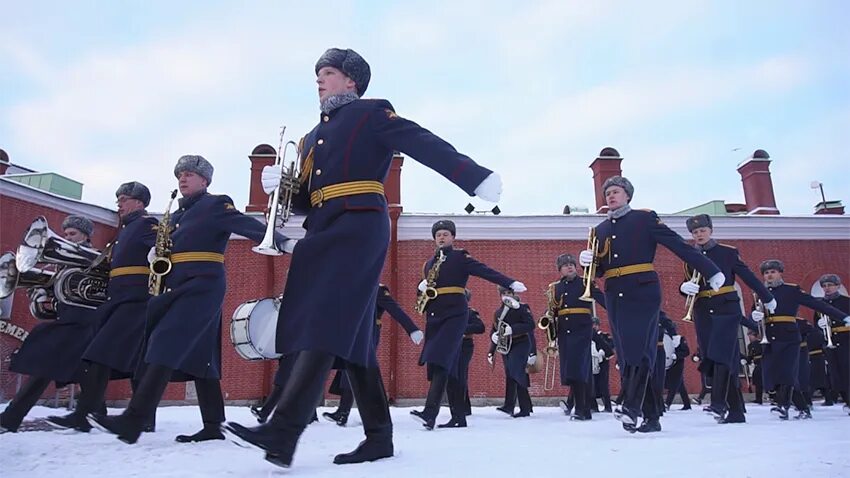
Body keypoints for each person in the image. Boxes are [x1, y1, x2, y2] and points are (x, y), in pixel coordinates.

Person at [225, 48, 506, 469]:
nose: (319, 80)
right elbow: (303, 200)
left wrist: (474, 176)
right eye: (317, 73)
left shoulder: (371, 113)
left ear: (352, 81)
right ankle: (378, 437)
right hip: (320, 229)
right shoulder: (309, 138)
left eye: (329, 72)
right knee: (352, 340)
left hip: (358, 225)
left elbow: (421, 141)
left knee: (323, 321)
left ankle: (283, 430)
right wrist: (279, 186)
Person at [89, 155, 289, 444]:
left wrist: (282, 241)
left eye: (189, 174)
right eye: (180, 175)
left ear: (205, 180)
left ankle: (134, 420)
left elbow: (246, 224)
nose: (182, 179)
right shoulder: (176, 216)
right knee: (202, 359)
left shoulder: (216, 204)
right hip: (175, 287)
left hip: (202, 285)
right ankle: (213, 425)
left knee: (165, 342)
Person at [578, 176, 723, 433]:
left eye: (616, 192)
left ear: (628, 196)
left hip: (642, 290)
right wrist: (587, 262)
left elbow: (679, 245)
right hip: (615, 293)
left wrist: (710, 270)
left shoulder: (643, 219)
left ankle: (630, 406)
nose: (611, 196)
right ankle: (651, 417)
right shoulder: (599, 230)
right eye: (608, 192)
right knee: (628, 354)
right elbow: (599, 271)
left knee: (636, 350)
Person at [47, 182, 158, 433]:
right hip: (117, 300)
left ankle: (84, 415)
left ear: (139, 203)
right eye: (118, 198)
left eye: (124, 198)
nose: (119, 203)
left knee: (98, 354)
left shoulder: (145, 225)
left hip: (134, 300)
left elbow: (162, 251)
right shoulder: (126, 230)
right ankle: (138, 417)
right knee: (133, 361)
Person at [415, 220, 525, 429]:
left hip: (454, 315)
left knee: (440, 362)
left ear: (453, 237)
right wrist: (420, 289)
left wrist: (509, 282)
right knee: (449, 368)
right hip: (434, 316)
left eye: (446, 234)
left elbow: (485, 271)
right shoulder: (428, 264)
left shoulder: (460, 257)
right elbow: (422, 296)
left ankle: (430, 412)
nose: (442, 237)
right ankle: (458, 417)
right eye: (438, 234)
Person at [1, 216, 104, 433]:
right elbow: (61, 290)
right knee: (85, 369)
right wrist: (42, 291)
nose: (67, 238)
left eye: (72, 234)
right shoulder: (63, 263)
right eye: (65, 234)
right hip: (70, 319)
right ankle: (93, 414)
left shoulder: (95, 260)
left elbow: (91, 292)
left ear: (85, 236)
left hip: (82, 322)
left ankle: (12, 416)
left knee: (47, 365)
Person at [679, 214, 775, 424]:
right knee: (715, 358)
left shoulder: (727, 252)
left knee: (722, 355)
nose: (699, 235)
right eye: (695, 232)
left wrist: (768, 297)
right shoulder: (690, 255)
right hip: (703, 310)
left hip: (726, 307)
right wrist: (683, 288)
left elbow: (748, 277)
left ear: (710, 231)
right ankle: (736, 411)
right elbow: (687, 281)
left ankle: (718, 403)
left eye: (702, 230)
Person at [750, 260, 848, 420]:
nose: (769, 275)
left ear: (780, 273)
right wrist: (754, 317)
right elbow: (754, 315)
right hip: (770, 337)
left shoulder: (791, 290)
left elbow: (818, 304)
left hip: (788, 336)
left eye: (773, 272)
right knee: (773, 374)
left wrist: (843, 317)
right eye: (766, 273)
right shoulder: (759, 293)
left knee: (787, 373)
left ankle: (783, 405)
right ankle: (803, 408)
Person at [321, 284, 422, 427]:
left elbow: (395, 310)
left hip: (368, 334)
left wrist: (412, 329)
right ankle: (343, 413)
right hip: (350, 335)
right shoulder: (349, 289)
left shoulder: (377, 289)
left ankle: (350, 413)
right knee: (348, 371)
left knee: (358, 372)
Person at [546, 253, 605, 420]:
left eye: (572, 264)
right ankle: (582, 408)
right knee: (572, 371)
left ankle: (582, 409)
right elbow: (553, 309)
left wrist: (616, 310)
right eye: (565, 265)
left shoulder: (585, 282)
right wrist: (548, 319)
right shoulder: (556, 287)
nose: (570, 266)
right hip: (565, 331)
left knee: (579, 370)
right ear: (560, 270)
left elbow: (600, 298)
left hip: (581, 330)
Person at [488, 286, 535, 418]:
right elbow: (494, 329)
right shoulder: (497, 312)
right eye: (504, 293)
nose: (507, 295)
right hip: (505, 345)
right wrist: (492, 340)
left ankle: (524, 408)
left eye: (509, 293)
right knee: (510, 374)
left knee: (517, 372)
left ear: (513, 294)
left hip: (521, 342)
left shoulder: (521, 308)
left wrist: (513, 329)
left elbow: (531, 325)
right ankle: (509, 405)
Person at [440, 289, 485, 428]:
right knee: (450, 380)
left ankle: (460, 416)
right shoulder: (448, 313)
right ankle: (456, 414)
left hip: (465, 345)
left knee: (459, 378)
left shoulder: (470, 312)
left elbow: (480, 327)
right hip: (449, 346)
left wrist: (460, 328)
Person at [815, 274, 849, 413]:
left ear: (838, 286)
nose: (827, 288)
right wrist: (819, 324)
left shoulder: (846, 302)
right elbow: (815, 324)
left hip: (846, 339)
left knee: (848, 371)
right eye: (824, 286)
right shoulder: (820, 304)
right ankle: (847, 400)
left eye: (830, 285)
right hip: (831, 341)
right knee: (836, 374)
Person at [591, 318, 615, 412]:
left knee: (603, 384)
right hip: (592, 362)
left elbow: (611, 345)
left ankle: (607, 406)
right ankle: (593, 406)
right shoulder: (589, 336)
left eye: (595, 325)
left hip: (602, 363)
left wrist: (603, 351)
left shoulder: (604, 336)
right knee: (591, 385)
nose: (593, 326)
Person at [664, 333, 691, 411]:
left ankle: (668, 403)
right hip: (669, 364)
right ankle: (687, 404)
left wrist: (677, 355)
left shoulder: (680, 339)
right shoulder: (665, 338)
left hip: (677, 366)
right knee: (680, 385)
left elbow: (686, 352)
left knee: (674, 384)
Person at [745, 331, 765, 404]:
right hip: (761, 363)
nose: (749, 338)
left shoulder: (752, 345)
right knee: (758, 381)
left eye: (750, 336)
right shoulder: (761, 343)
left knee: (758, 381)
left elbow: (750, 357)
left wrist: (746, 360)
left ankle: (759, 399)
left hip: (760, 364)